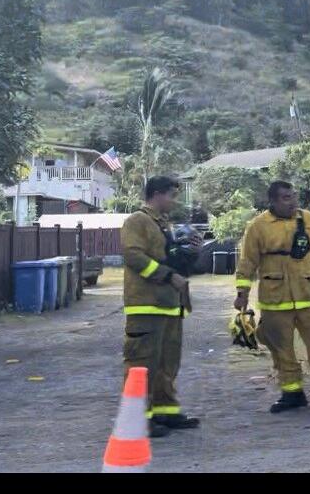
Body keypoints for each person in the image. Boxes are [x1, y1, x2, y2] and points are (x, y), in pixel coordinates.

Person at [234, 181, 310, 412]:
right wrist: (242, 293)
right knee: (281, 348)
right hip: (275, 300)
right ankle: (292, 392)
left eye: (293, 196)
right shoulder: (258, 227)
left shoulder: (309, 220)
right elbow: (247, 261)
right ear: (273, 201)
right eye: (285, 198)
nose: (292, 202)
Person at [120, 176, 201, 437]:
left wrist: (191, 253)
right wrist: (167, 276)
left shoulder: (164, 225)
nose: (174, 201)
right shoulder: (137, 221)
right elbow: (133, 255)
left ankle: (165, 411)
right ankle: (137, 420)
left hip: (170, 305)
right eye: (171, 196)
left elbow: (171, 259)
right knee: (141, 366)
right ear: (157, 194)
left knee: (167, 364)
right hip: (146, 306)